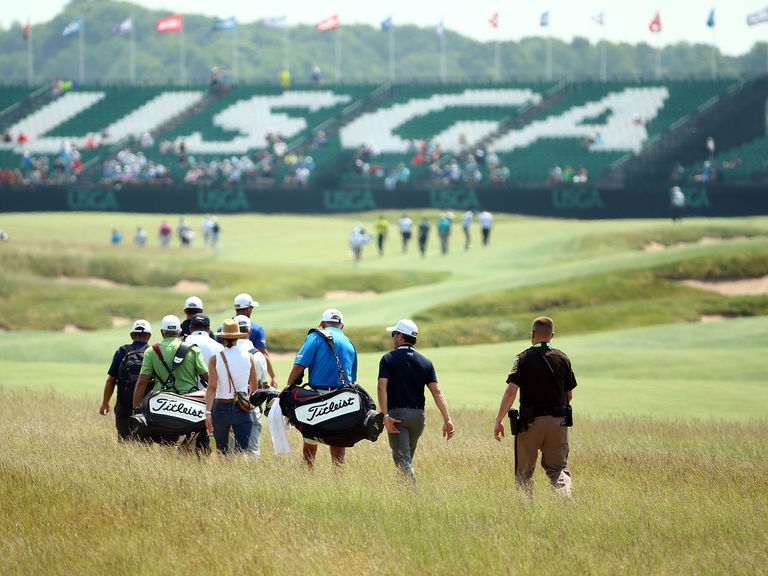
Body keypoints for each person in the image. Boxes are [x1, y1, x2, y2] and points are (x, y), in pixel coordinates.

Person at [493, 317, 577, 497]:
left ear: (532, 334)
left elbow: (511, 392)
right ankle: (566, 504)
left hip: (530, 423)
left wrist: (499, 419)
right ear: (552, 335)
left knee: (524, 472)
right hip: (558, 423)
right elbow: (569, 395)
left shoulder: (522, 358)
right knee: (558, 470)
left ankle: (526, 513)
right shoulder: (563, 358)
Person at [377, 319, 454, 480]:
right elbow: (437, 392)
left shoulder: (388, 358)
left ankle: (413, 496)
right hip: (419, 418)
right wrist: (447, 419)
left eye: (394, 334)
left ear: (400, 336)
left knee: (402, 461)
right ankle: (402, 498)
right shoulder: (426, 362)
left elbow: (381, 387)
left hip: (397, 417)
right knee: (406, 460)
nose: (392, 338)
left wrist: (385, 416)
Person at [285, 308, 358, 468]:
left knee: (310, 442)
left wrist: (288, 388)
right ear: (342, 326)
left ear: (323, 324)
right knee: (338, 447)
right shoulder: (350, 343)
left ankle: (308, 480)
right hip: (342, 399)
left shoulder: (315, 337)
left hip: (317, 397)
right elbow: (352, 380)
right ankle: (339, 483)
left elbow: (299, 365)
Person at [133, 315, 210, 453]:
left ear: (162, 332)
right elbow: (207, 377)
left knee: (166, 445)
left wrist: (136, 409)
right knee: (189, 447)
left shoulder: (151, 351)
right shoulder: (193, 350)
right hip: (189, 406)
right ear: (179, 332)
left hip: (162, 406)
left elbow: (142, 382)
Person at [205, 319, 261, 455]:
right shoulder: (249, 357)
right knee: (243, 451)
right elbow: (254, 387)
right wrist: (249, 405)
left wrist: (207, 413)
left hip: (220, 407)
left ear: (222, 337)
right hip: (242, 407)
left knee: (222, 451)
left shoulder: (215, 359)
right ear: (238, 336)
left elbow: (212, 387)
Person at [99, 319, 152, 440]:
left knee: (124, 439)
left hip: (124, 403)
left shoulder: (122, 352)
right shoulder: (153, 353)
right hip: (145, 405)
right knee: (145, 440)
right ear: (149, 336)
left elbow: (111, 380)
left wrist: (105, 403)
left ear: (131, 335)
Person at [216, 293, 278, 388]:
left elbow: (218, 352)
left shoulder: (223, 329)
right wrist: (273, 376)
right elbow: (263, 353)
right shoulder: (257, 328)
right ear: (248, 308)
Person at [233, 315, 272, 459]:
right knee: (253, 448)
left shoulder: (225, 354)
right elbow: (264, 385)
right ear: (250, 331)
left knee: (232, 450)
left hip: (230, 405)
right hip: (252, 405)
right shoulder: (259, 356)